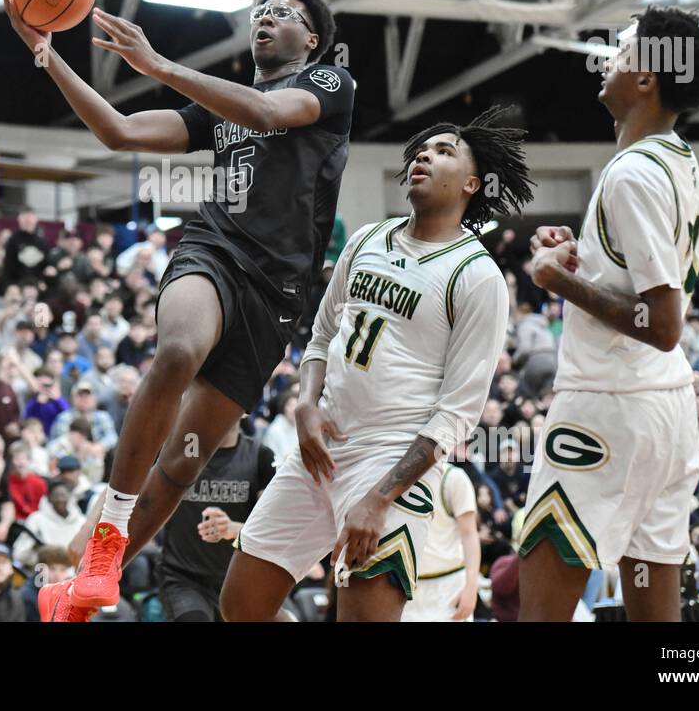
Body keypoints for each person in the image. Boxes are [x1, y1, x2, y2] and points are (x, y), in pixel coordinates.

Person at [8, 0, 355, 621]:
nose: (266, 19)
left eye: (283, 13)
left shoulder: (330, 83)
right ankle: (108, 540)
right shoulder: (217, 108)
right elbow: (118, 130)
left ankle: (86, 592)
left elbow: (268, 112)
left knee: (183, 463)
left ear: (311, 38)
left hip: (276, 293)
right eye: (261, 11)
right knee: (177, 351)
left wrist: (159, 63)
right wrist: (45, 51)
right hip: (213, 253)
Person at [219, 107, 529, 622]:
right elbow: (320, 337)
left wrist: (380, 497)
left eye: (444, 151)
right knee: (240, 605)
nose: (425, 155)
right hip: (319, 449)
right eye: (422, 150)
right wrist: (305, 404)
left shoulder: (477, 276)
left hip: (389, 462)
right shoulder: (366, 239)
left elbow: (458, 415)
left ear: (473, 183)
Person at [517, 7, 699, 622]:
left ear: (647, 79)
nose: (608, 60)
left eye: (622, 50)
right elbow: (641, 281)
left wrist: (558, 280)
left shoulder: (631, 173)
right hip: (666, 415)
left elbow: (663, 324)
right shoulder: (677, 159)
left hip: (606, 407)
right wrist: (582, 263)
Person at [155, 421, 275, 623]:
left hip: (239, 580)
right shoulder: (176, 450)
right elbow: (130, 490)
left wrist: (235, 529)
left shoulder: (260, 456)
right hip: (183, 578)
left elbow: (272, 530)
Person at [401, 462, 481, 622]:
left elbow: (470, 534)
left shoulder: (454, 477)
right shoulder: (396, 473)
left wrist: (472, 587)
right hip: (406, 589)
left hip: (449, 588)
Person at [14, 482, 87, 562]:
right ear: (49, 498)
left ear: (69, 496)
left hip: (75, 570)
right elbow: (19, 553)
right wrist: (42, 555)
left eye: (63, 495)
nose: (60, 499)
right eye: (56, 495)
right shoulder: (36, 519)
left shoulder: (81, 521)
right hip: (43, 569)